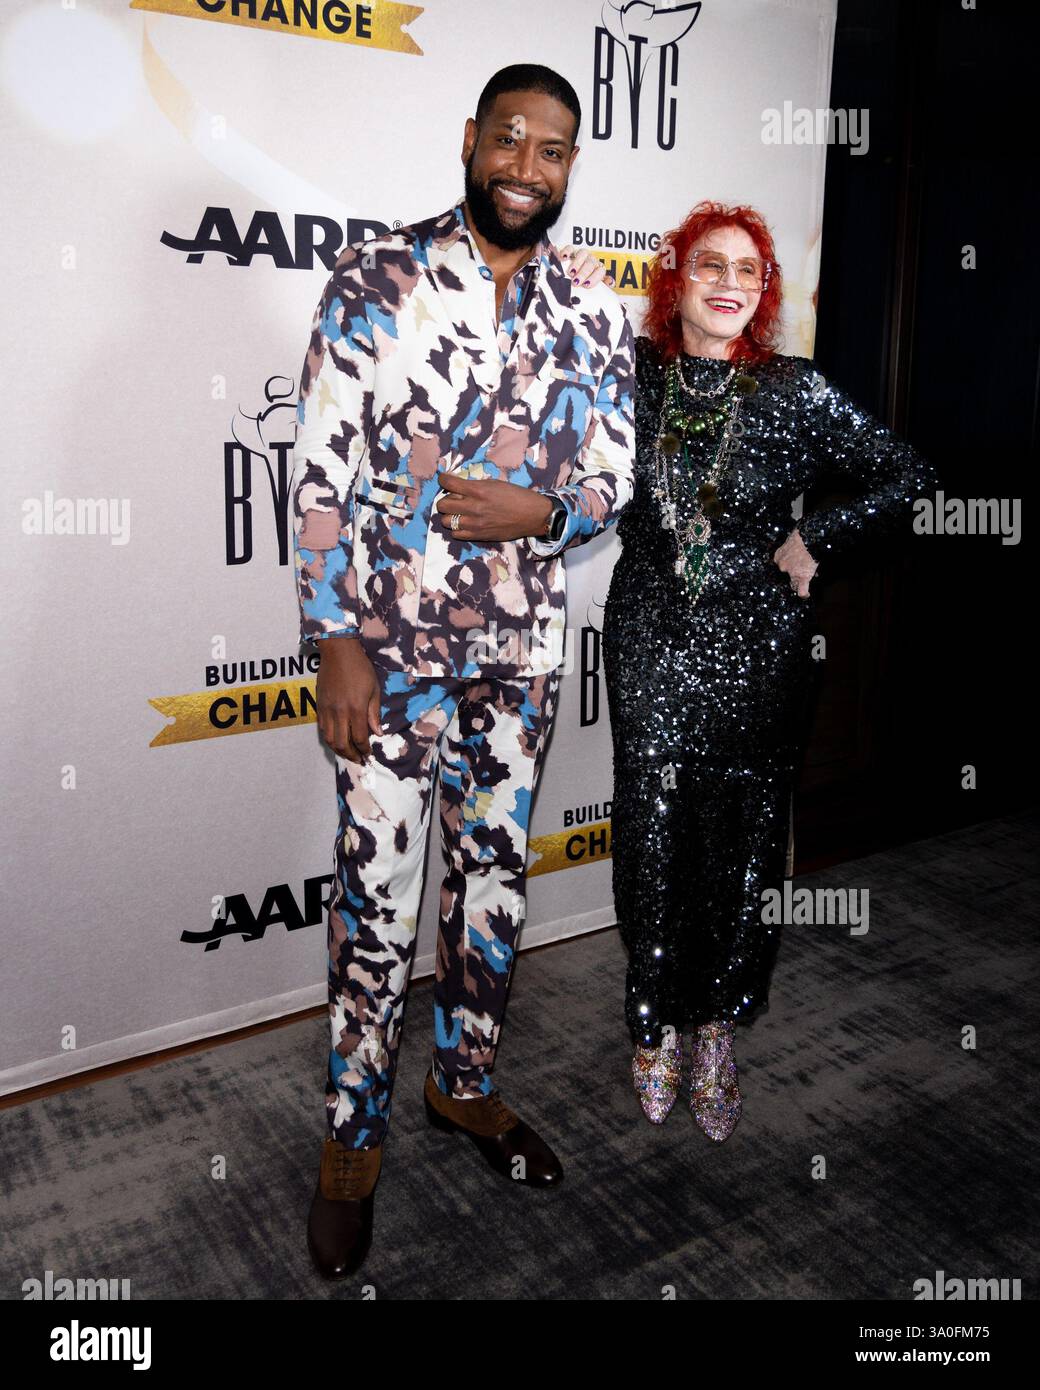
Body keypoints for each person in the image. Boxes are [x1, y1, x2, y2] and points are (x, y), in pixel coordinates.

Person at [290, 64, 635, 1277]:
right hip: (384, 655)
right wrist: (331, 632)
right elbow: (321, 470)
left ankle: (466, 1087)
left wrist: (546, 509)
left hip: (516, 660)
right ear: (470, 141)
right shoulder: (376, 279)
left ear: (568, 168)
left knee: (490, 886)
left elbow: (613, 475)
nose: (525, 169)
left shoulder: (592, 301)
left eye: (550, 151)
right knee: (375, 902)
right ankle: (350, 1142)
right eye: (509, 140)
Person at [564, 202, 936, 1141]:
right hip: (650, 628)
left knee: (743, 840)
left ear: (763, 293)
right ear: (675, 280)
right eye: (709, 266)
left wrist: (821, 533)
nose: (730, 282)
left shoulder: (794, 391)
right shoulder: (634, 373)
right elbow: (547, 371)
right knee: (652, 832)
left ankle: (718, 1029)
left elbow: (910, 476)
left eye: (749, 270)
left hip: (761, 646)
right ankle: (650, 1028)